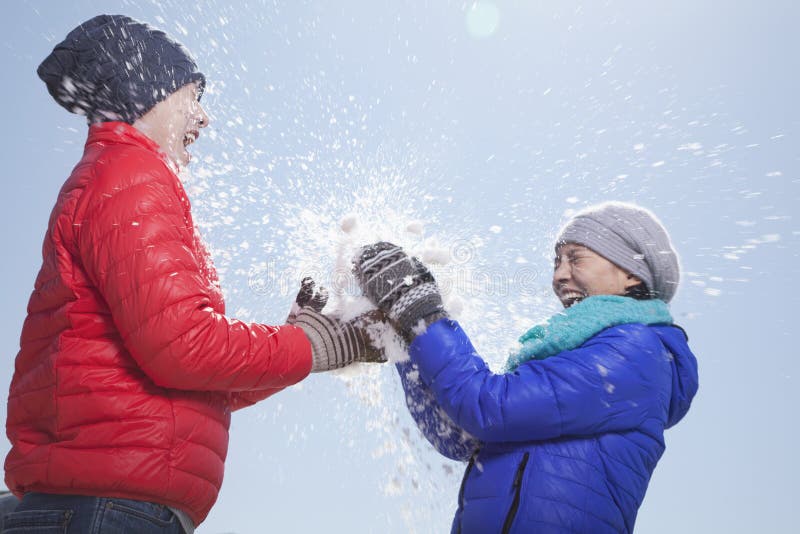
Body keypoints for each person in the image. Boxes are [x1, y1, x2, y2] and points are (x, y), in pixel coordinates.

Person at [4, 14, 384, 534]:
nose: (203, 119)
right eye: (191, 97)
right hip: (106, 510)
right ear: (146, 95)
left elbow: (194, 378)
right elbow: (184, 348)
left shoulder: (119, 178)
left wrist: (299, 343)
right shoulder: (131, 177)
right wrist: (314, 345)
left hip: (106, 505)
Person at [353, 202, 699, 533]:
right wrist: (406, 341)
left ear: (631, 275)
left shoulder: (636, 354)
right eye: (556, 262)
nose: (560, 275)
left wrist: (422, 316)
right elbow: (460, 437)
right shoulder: (572, 350)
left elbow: (489, 408)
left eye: (575, 259)